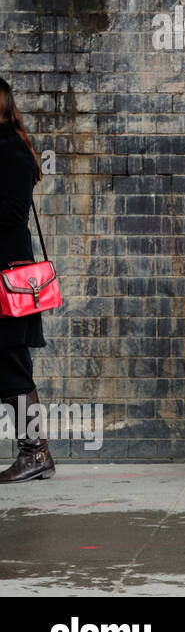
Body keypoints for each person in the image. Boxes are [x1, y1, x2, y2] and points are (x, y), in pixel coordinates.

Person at [0, 78, 53, 482]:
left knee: (12, 364)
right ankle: (34, 453)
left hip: (8, 280)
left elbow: (12, 215)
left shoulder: (14, 152)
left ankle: (35, 453)